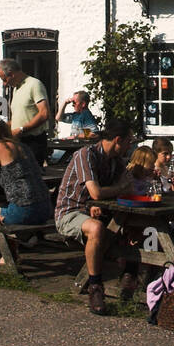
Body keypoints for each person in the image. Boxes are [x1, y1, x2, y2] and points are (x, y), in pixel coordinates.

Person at [54, 120, 135, 314]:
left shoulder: (116, 161)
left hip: (98, 212)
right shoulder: (86, 154)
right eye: (128, 142)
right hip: (70, 212)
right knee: (97, 229)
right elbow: (97, 192)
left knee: (136, 224)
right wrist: (117, 190)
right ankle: (95, 287)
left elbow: (128, 188)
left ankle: (130, 274)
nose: (130, 146)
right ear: (117, 140)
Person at [0, 116, 52, 228]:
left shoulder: (0, 147)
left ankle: (14, 243)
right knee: (2, 206)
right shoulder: (22, 146)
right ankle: (25, 239)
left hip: (25, 209)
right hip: (45, 208)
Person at [0, 58, 50, 165]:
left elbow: (44, 113)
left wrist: (21, 129)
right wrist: (3, 127)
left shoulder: (34, 84)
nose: (4, 84)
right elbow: (21, 117)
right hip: (19, 141)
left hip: (33, 142)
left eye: (4, 79)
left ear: (11, 74)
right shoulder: (17, 88)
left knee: (32, 176)